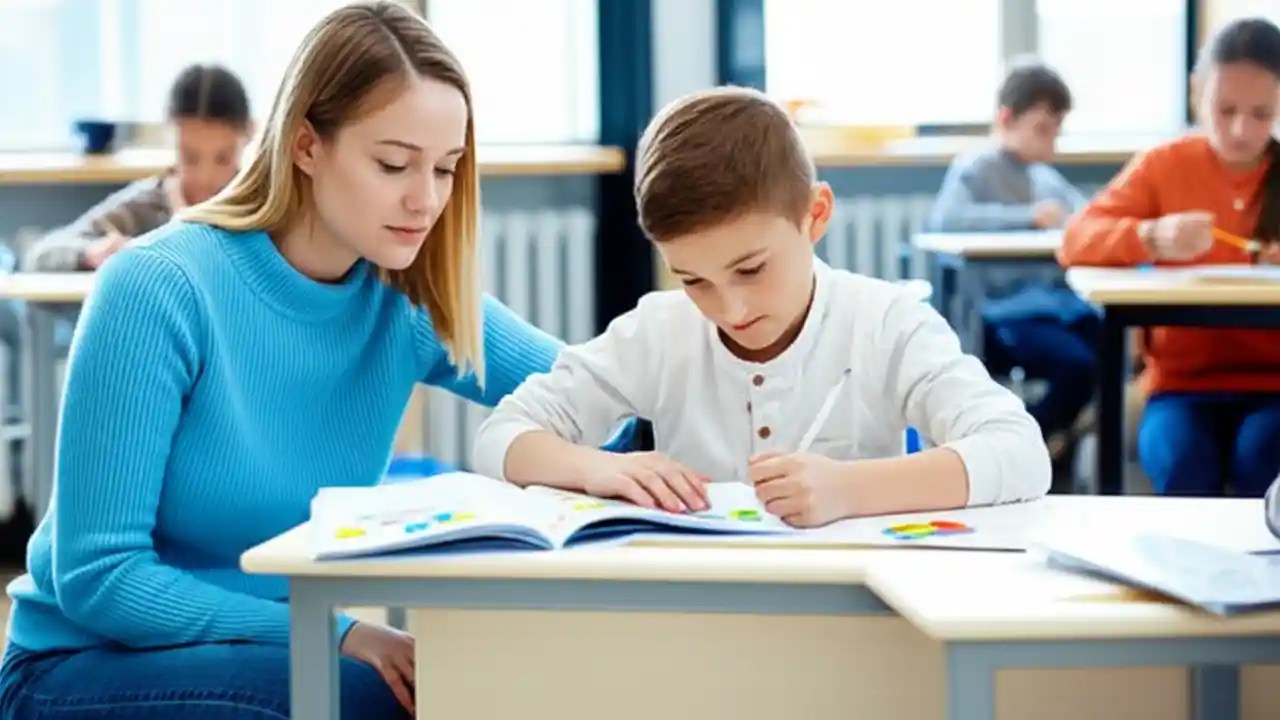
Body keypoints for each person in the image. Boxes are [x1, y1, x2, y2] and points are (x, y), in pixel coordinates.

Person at [0, 3, 577, 717]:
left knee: (483, 686)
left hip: (262, 646)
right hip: (80, 663)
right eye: (393, 164)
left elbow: (592, 396)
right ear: (306, 145)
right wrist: (335, 634)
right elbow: (100, 578)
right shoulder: (158, 287)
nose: (425, 200)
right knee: (376, 701)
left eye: (446, 169)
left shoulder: (407, 300)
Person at [471, 86, 1051, 527]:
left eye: (750, 269)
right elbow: (501, 436)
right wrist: (603, 467)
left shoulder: (885, 323)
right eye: (693, 279)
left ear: (815, 215)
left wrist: (849, 490)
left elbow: (1021, 452)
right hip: (701, 610)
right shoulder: (661, 330)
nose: (730, 309)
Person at [1060, 17, 1280, 498]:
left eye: (1261, 114)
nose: (1240, 130)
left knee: (1262, 463)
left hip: (1274, 386)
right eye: (1225, 109)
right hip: (1181, 385)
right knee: (1183, 463)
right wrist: (1151, 237)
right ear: (1196, 92)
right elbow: (1075, 239)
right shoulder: (1164, 165)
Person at [929, 58, 1098, 480]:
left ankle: (1055, 445)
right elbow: (948, 221)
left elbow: (1086, 217)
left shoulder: (1044, 177)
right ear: (1007, 119)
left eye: (1056, 130)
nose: (1051, 141)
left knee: (1111, 345)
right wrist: (1028, 217)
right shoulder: (975, 170)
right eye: (1042, 129)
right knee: (1077, 364)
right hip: (1004, 314)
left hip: (1055, 308)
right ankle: (1022, 447)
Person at [25, 64, 253, 272]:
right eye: (189, 157)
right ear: (169, 136)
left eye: (223, 158)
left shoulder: (259, 206)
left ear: (250, 133)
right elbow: (40, 255)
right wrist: (90, 253)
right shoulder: (145, 209)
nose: (205, 176)